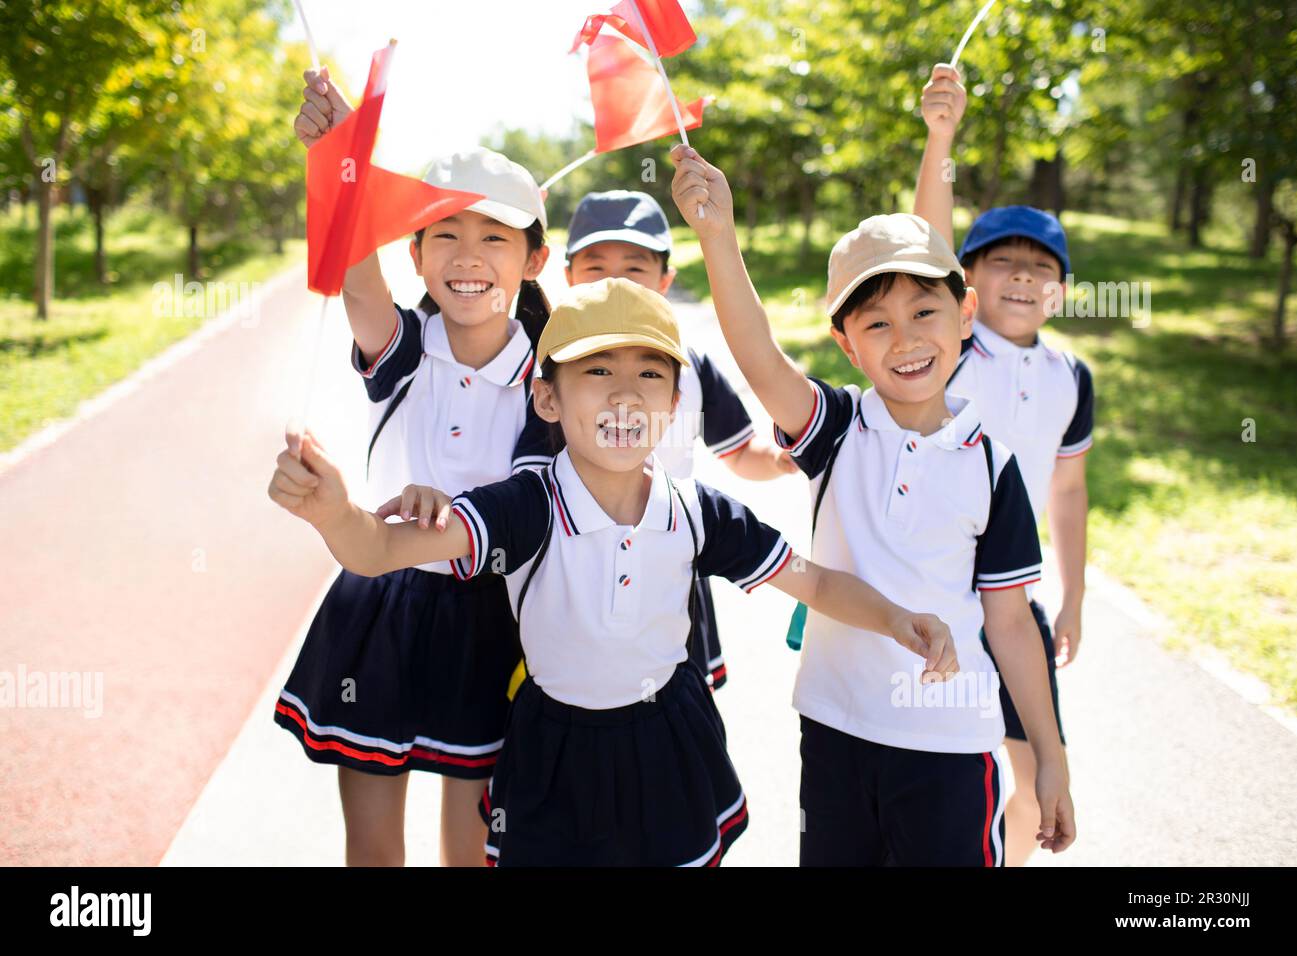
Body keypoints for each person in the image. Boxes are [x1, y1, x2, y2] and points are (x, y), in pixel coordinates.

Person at [267, 277, 960, 866]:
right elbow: (379, 551)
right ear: (548, 399)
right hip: (551, 749)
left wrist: (899, 619)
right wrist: (333, 513)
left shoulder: (698, 513)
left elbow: (812, 581)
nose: (626, 395)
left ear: (674, 401)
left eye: (649, 374)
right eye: (598, 371)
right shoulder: (525, 505)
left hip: (668, 738)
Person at [669, 143, 1076, 865]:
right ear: (847, 344)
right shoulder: (836, 427)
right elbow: (759, 356)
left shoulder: (993, 464)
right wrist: (718, 237)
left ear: (964, 313)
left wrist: (1050, 756)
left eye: (925, 310)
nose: (907, 338)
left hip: (951, 744)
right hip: (836, 726)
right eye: (876, 323)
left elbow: (1011, 624)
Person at [277, 68, 550, 867]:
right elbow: (354, 275)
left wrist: (454, 508)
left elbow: (526, 508)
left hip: (490, 619)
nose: (470, 257)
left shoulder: (551, 382)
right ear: (418, 253)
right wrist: (334, 157)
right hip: (381, 604)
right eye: (446, 235)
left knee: (470, 851)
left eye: (494, 237)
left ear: (533, 258)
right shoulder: (399, 350)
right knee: (372, 848)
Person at [913, 63, 1093, 866]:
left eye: (1041, 267)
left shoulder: (1070, 378)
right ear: (969, 290)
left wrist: (1076, 599)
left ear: (1059, 292)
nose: (1022, 275)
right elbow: (928, 247)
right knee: (929, 772)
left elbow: (1070, 487)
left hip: (1016, 607)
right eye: (1001, 262)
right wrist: (940, 140)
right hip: (933, 593)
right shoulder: (949, 351)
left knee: (1033, 776)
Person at [562, 188, 797, 690]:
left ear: (665, 280)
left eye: (634, 267)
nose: (615, 283)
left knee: (679, 711)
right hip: (573, 564)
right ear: (568, 278)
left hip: (672, 559)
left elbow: (740, 452)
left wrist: (779, 459)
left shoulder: (690, 364)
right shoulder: (554, 367)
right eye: (595, 267)